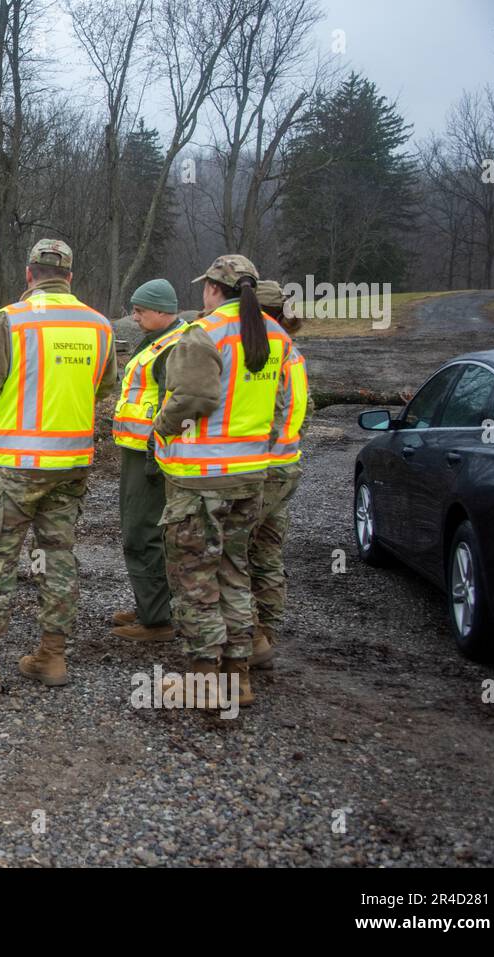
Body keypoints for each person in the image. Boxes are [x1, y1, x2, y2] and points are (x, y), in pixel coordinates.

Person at [0, 239, 117, 694]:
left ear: (28, 274)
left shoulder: (10, 321)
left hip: (14, 466)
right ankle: (52, 657)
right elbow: (103, 389)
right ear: (71, 277)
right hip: (72, 464)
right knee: (58, 558)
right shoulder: (99, 326)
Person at [152, 255, 291, 709]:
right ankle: (238, 677)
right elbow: (283, 409)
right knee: (235, 572)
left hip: (200, 479)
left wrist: (163, 426)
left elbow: (194, 397)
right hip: (250, 477)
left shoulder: (205, 333)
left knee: (195, 578)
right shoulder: (276, 337)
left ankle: (205, 682)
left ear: (214, 288)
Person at [110, 280, 188, 642]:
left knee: (143, 532)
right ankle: (151, 605)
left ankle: (156, 620)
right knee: (148, 530)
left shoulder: (174, 348)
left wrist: (156, 447)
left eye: (141, 311)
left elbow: (178, 402)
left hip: (152, 453)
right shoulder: (161, 340)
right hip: (142, 449)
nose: (135, 317)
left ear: (161, 311)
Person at [248, 280, 311, 669]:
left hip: (262, 468)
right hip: (288, 465)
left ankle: (251, 638)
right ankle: (266, 633)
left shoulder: (268, 354)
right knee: (267, 552)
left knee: (233, 552)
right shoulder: (294, 354)